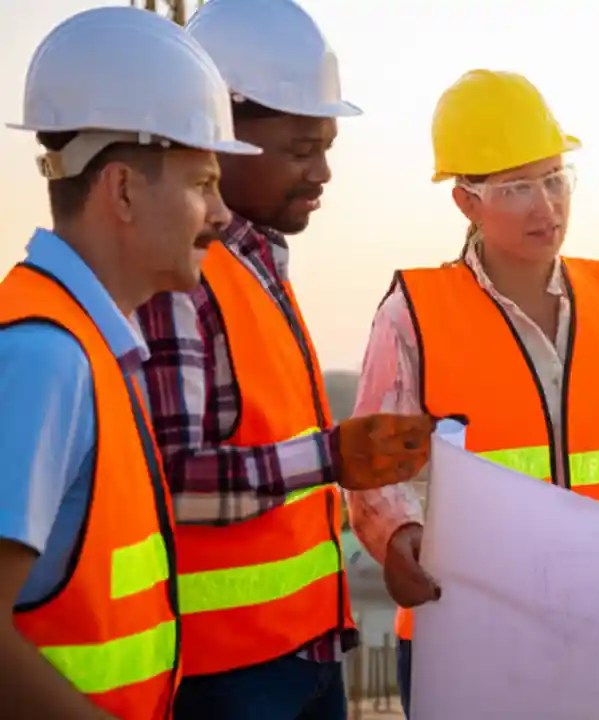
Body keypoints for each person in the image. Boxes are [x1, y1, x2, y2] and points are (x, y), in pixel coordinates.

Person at [345, 68, 599, 716]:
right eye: (516, 188)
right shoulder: (415, 312)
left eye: (554, 178)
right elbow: (373, 470)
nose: (547, 206)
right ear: (466, 202)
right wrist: (398, 539)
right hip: (470, 638)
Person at [131, 1, 434, 717]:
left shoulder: (259, 266)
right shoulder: (183, 278)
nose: (323, 171)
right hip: (225, 676)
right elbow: (173, 482)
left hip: (304, 655)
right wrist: (332, 457)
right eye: (302, 149)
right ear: (222, 134)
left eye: (325, 145)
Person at [0, 7, 260, 718]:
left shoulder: (85, 343)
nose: (221, 214)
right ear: (120, 190)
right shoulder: (45, 357)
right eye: (202, 183)